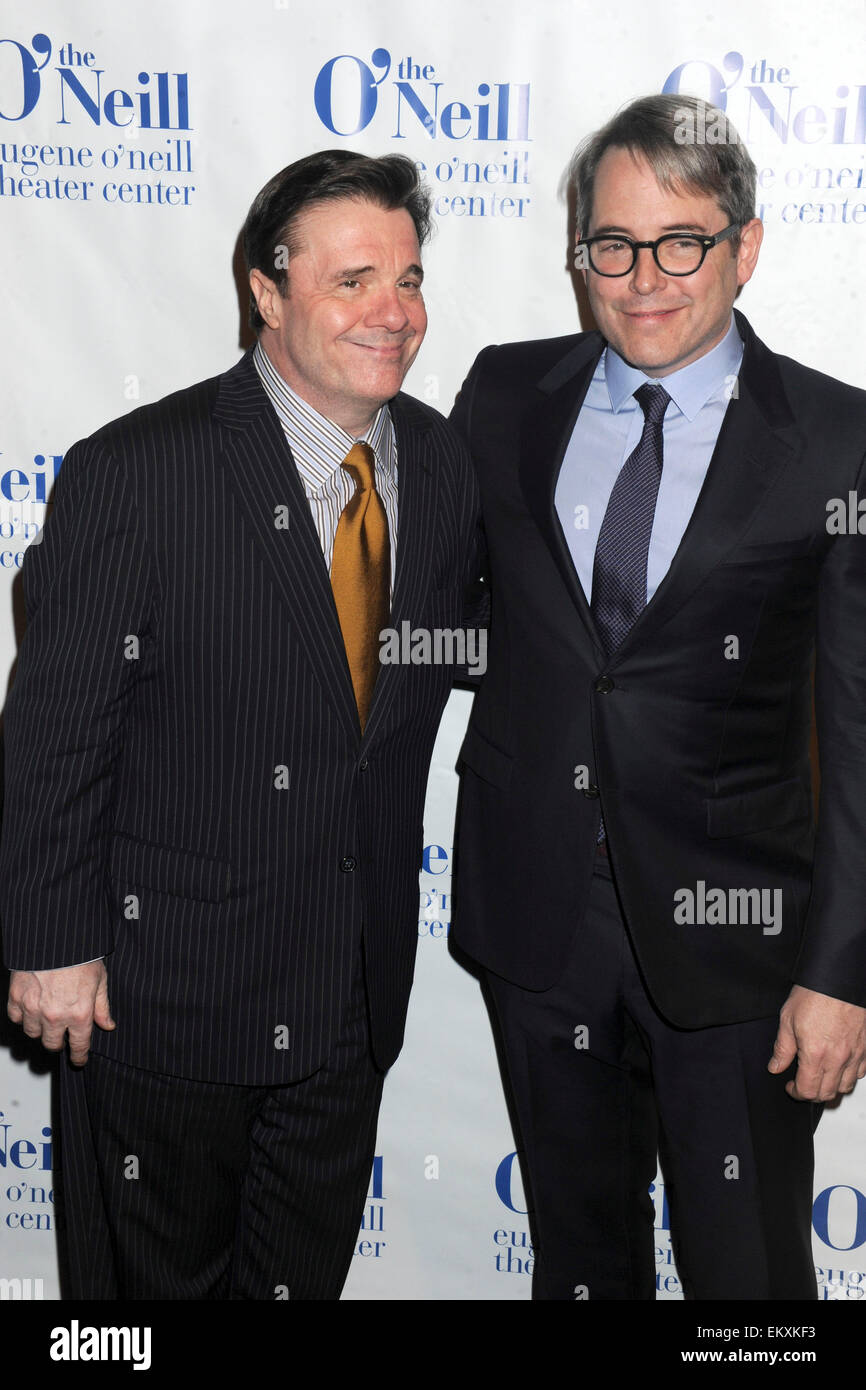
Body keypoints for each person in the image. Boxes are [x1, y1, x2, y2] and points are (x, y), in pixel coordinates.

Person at [1, 149, 481, 1300]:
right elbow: (55, 730)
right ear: (266, 293)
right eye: (353, 280)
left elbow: (467, 658)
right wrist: (51, 942)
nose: (394, 313)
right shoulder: (139, 472)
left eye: (408, 280)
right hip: (164, 997)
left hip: (346, 1002)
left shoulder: (445, 463)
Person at [450, 93, 866, 1300]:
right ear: (578, 249)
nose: (641, 279)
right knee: (577, 1262)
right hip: (539, 925)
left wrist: (840, 970)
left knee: (745, 1280)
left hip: (740, 946)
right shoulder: (502, 399)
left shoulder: (837, 444)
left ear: (742, 248)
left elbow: (854, 726)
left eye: (679, 242)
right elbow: (436, 618)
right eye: (612, 246)